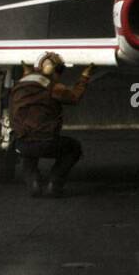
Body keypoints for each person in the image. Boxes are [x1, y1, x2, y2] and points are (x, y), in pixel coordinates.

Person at [10, 53, 95, 198]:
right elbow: (74, 97)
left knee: (28, 153)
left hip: (21, 143)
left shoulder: (18, 86)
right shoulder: (53, 87)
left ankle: (34, 184)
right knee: (74, 148)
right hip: (47, 142)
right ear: (55, 70)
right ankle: (54, 184)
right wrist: (85, 76)